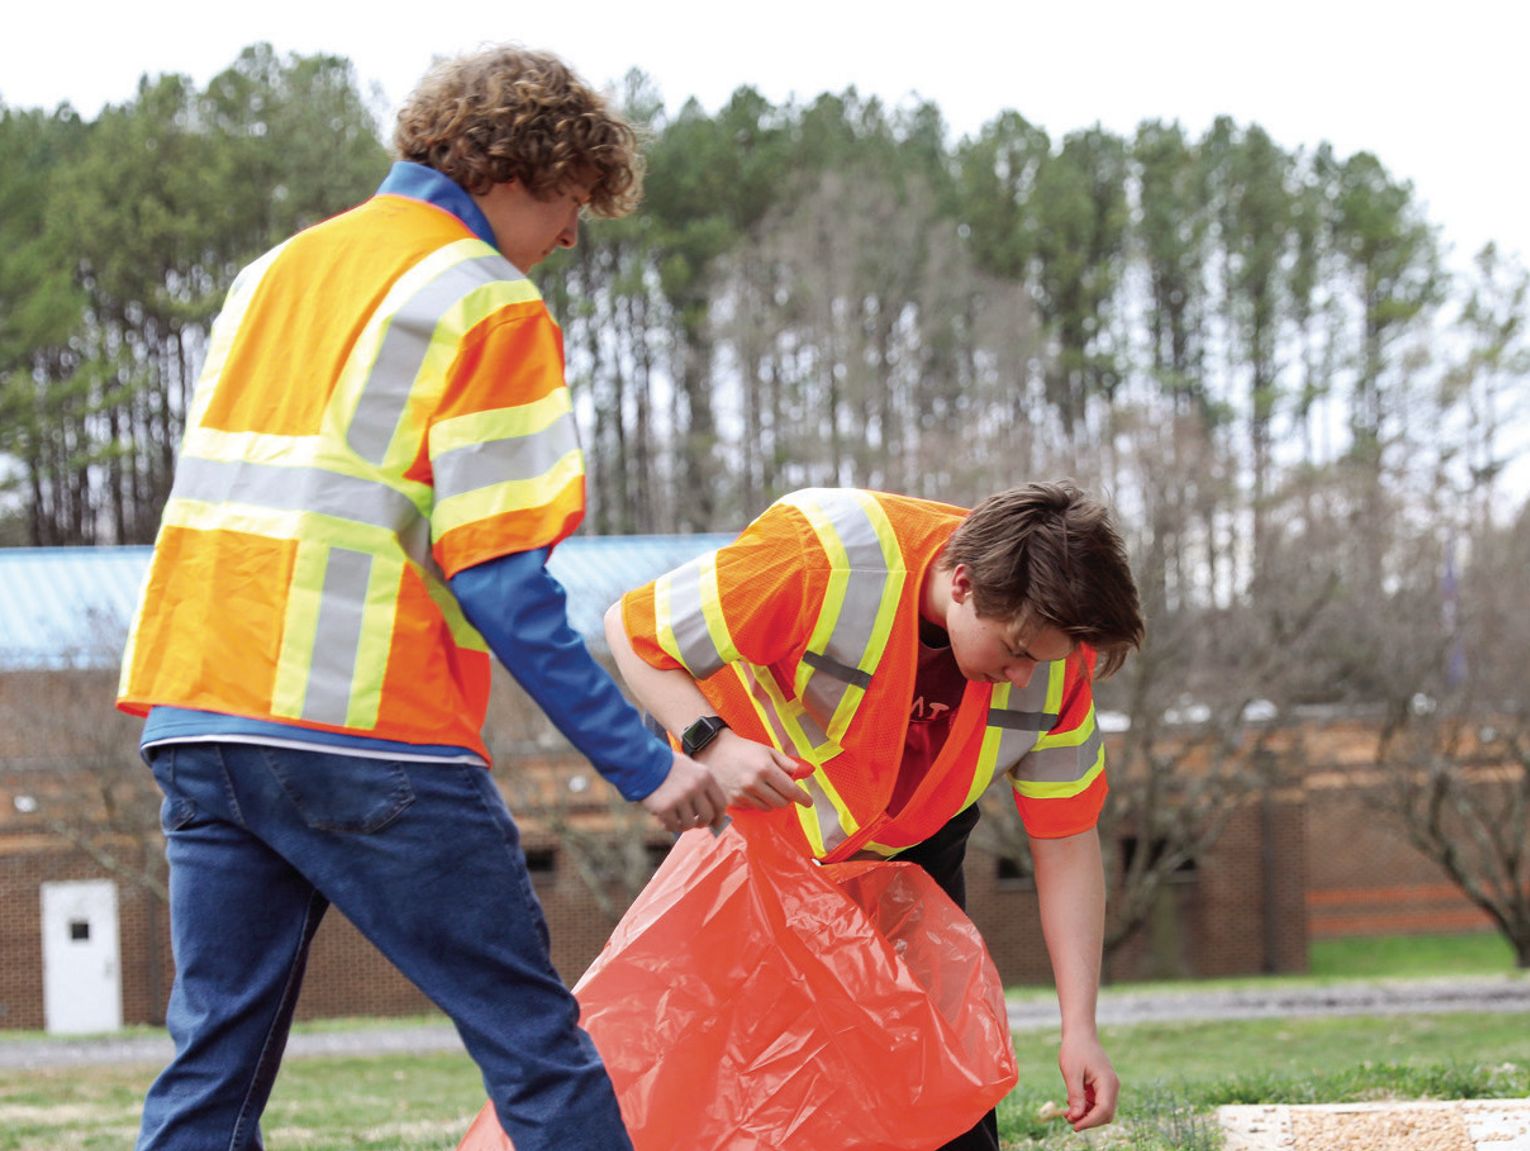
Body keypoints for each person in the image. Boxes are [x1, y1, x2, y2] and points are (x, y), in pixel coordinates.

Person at [116, 45, 725, 1151]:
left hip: (198, 711)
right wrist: (646, 762)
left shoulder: (278, 269)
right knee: (536, 1046)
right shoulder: (484, 297)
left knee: (214, 1070)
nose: (573, 238)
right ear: (520, 173)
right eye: (575, 205)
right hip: (364, 729)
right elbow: (499, 576)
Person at [605, 481, 1144, 1147]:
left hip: (914, 854)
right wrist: (709, 741)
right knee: (735, 1090)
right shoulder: (822, 555)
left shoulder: (1058, 654)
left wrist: (1079, 1027)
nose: (1028, 676)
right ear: (966, 582)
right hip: (765, 849)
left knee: (942, 1093)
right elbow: (631, 630)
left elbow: (1066, 842)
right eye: (1018, 651)